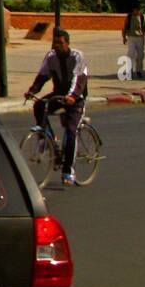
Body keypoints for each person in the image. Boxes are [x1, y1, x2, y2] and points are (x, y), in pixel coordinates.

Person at [26, 28, 89, 186]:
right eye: (54, 42)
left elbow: (79, 79)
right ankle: (46, 138)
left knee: (70, 131)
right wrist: (32, 90)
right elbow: (43, 75)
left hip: (76, 99)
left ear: (67, 44)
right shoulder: (51, 56)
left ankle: (68, 170)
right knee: (40, 105)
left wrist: (72, 96)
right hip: (59, 95)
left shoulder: (77, 57)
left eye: (60, 43)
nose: (56, 46)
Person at [122, 3, 145, 80]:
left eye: (139, 10)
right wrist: (124, 37)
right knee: (131, 53)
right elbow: (124, 28)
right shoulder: (129, 17)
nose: (137, 11)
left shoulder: (142, 17)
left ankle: (139, 71)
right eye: (136, 10)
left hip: (140, 38)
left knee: (140, 55)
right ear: (133, 10)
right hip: (131, 37)